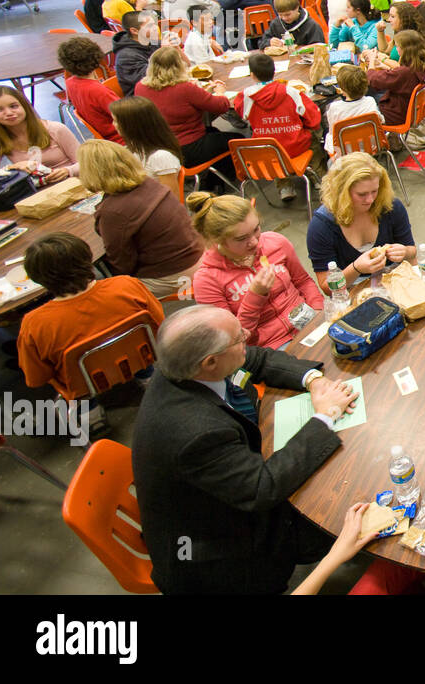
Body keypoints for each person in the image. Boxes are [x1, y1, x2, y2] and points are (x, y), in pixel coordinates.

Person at [132, 303, 357, 594]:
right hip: (220, 557)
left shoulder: (183, 365)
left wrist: (314, 381)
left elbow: (255, 357)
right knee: (341, 502)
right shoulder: (195, 433)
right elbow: (263, 487)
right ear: (210, 363)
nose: (248, 336)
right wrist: (325, 417)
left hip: (222, 497)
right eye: (239, 338)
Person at [18, 233, 164, 402]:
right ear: (87, 259)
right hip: (138, 358)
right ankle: (148, 379)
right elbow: (159, 324)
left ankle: (92, 414)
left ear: (37, 278)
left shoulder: (34, 324)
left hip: (84, 383)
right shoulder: (127, 285)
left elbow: (36, 377)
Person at [189, 193, 325, 348]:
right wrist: (255, 295)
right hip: (270, 347)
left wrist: (318, 311)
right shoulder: (207, 279)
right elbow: (233, 341)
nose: (254, 242)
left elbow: (303, 281)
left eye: (256, 229)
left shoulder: (275, 242)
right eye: (241, 239)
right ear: (217, 239)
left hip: (308, 322)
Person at [78, 140, 203, 296]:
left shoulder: (113, 211)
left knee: (97, 292)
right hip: (197, 256)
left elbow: (122, 264)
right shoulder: (148, 183)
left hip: (173, 276)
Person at [306, 152, 415, 289]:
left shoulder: (390, 206)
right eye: (361, 194)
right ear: (342, 192)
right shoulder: (321, 226)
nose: (370, 200)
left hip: (396, 281)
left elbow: (412, 251)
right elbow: (328, 287)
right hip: (353, 290)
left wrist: (404, 251)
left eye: (374, 191)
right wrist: (356, 268)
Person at [235, 51, 322, 201]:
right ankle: (317, 177)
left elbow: (240, 114)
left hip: (267, 154)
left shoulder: (245, 97)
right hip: (295, 148)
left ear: (252, 74)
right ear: (274, 71)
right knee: (313, 138)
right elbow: (313, 119)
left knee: (271, 143)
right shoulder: (291, 92)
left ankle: (285, 187)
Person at [134, 46, 234, 178]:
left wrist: (200, 91)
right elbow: (221, 106)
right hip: (188, 147)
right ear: (178, 66)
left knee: (214, 132)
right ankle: (224, 178)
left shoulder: (140, 87)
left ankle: (217, 179)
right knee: (236, 139)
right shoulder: (185, 88)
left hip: (160, 147)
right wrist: (220, 93)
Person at [0, 86, 80, 183]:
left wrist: (68, 170)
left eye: (14, 106)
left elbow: (86, 163)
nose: (9, 113)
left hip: (72, 184)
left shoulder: (55, 129)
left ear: (24, 106)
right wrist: (12, 168)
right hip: (34, 193)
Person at [109, 95, 183, 189]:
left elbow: (172, 199)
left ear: (131, 125)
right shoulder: (129, 149)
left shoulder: (161, 158)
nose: (113, 125)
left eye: (115, 121)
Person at [57, 35, 119, 141]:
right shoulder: (99, 91)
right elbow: (127, 116)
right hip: (119, 137)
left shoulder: (70, 83)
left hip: (103, 136)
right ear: (96, 58)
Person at [323, 64, 380, 158]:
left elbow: (333, 133)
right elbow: (380, 120)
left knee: (326, 134)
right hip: (370, 147)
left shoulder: (335, 108)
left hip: (346, 152)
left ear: (342, 89)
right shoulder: (370, 101)